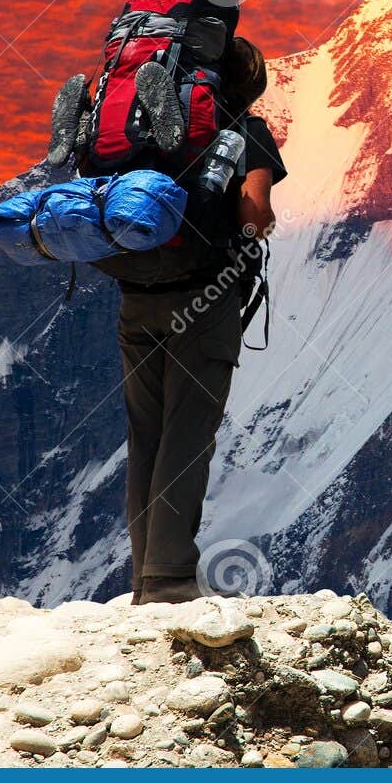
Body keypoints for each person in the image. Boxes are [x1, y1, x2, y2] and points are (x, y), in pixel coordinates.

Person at [117, 36, 287, 604]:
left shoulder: (150, 131)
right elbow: (254, 210)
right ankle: (167, 580)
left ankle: (145, 576)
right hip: (202, 302)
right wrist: (248, 233)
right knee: (187, 438)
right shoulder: (246, 130)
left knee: (147, 436)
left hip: (136, 295)